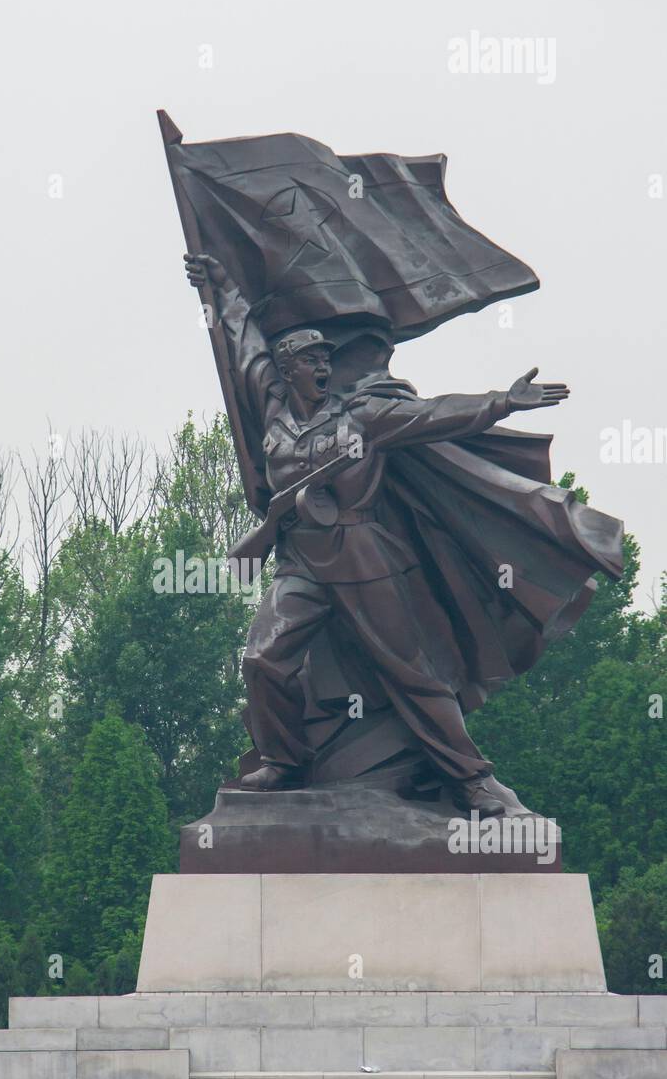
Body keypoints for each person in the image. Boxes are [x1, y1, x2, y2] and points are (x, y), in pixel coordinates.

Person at [184, 252, 577, 816]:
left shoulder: (362, 417)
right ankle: (285, 762)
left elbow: (434, 415)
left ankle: (475, 782)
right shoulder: (272, 412)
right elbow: (244, 344)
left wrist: (501, 403)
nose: (323, 366)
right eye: (311, 360)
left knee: (411, 672)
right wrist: (221, 282)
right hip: (301, 564)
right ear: (286, 369)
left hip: (364, 558)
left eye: (327, 358)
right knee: (262, 660)